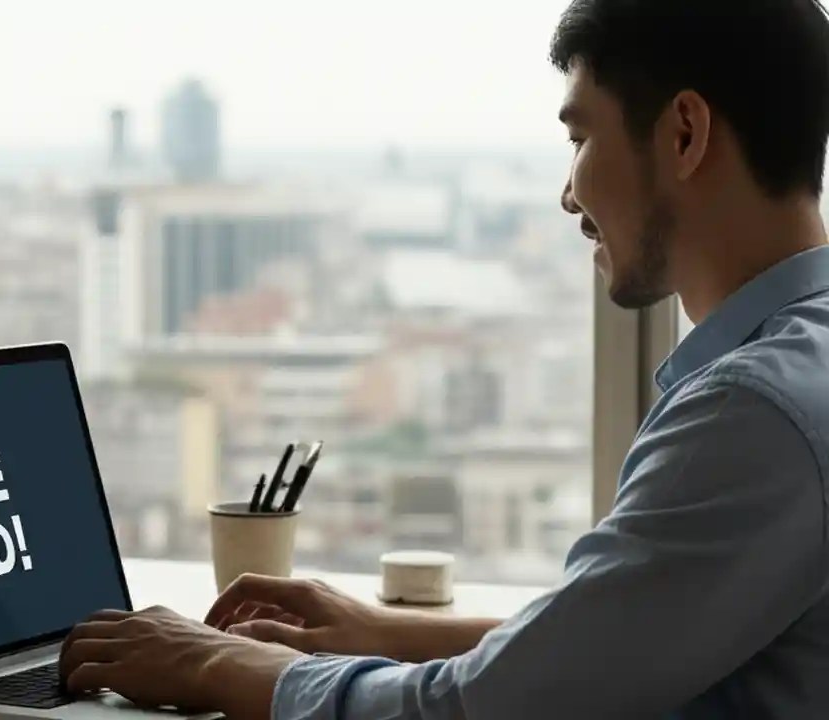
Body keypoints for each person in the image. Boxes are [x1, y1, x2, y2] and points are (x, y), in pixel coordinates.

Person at [59, 0, 829, 717]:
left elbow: (484, 709)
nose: (568, 194)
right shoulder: (804, 365)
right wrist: (391, 633)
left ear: (685, 134)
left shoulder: (753, 411)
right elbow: (621, 640)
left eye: (580, 138)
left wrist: (213, 667)